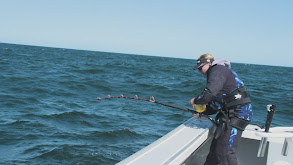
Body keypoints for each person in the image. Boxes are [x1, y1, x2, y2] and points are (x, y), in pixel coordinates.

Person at [189, 53, 253, 165]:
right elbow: (214, 106)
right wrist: (201, 112)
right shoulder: (218, 76)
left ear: (209, 63)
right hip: (228, 116)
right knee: (215, 152)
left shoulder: (217, 69)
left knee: (225, 152)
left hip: (237, 115)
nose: (200, 72)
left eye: (201, 68)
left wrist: (196, 101)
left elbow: (209, 94)